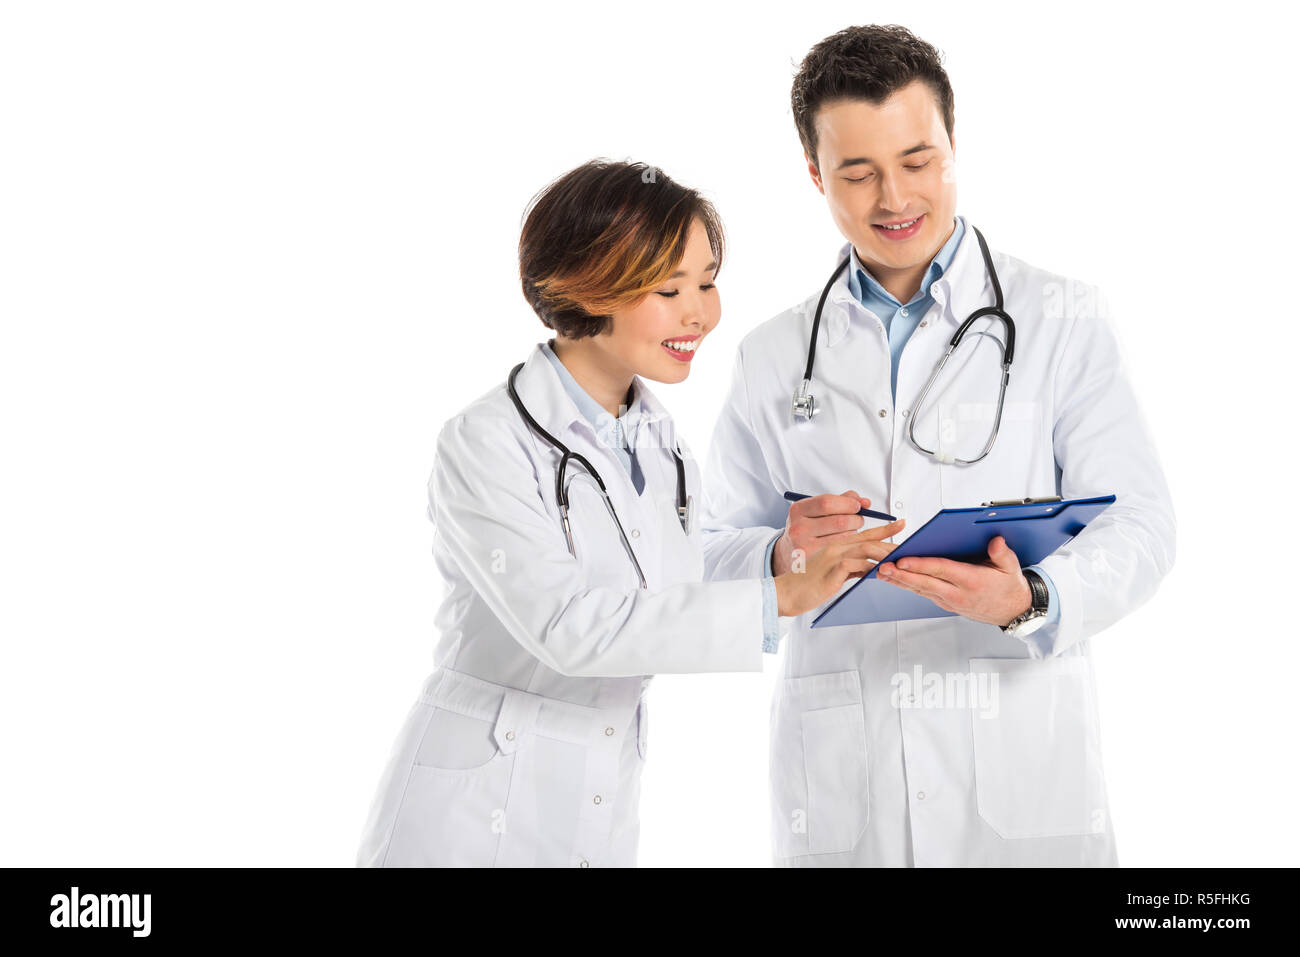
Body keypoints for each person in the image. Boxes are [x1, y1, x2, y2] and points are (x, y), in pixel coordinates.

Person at [700, 25, 1176, 866]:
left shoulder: (1061, 319)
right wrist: (781, 552)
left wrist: (1032, 595)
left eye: (919, 161)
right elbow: (705, 554)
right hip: (849, 791)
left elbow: (1142, 524)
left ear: (954, 147)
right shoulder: (772, 357)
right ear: (815, 175)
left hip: (1021, 772)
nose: (895, 197)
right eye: (858, 172)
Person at [354, 159, 903, 867]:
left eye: (706, 282)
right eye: (669, 288)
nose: (700, 312)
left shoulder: (656, 436)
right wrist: (775, 599)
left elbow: (666, 572)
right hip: (474, 810)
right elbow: (568, 625)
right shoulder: (485, 441)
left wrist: (776, 555)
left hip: (598, 796)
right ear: (591, 287)